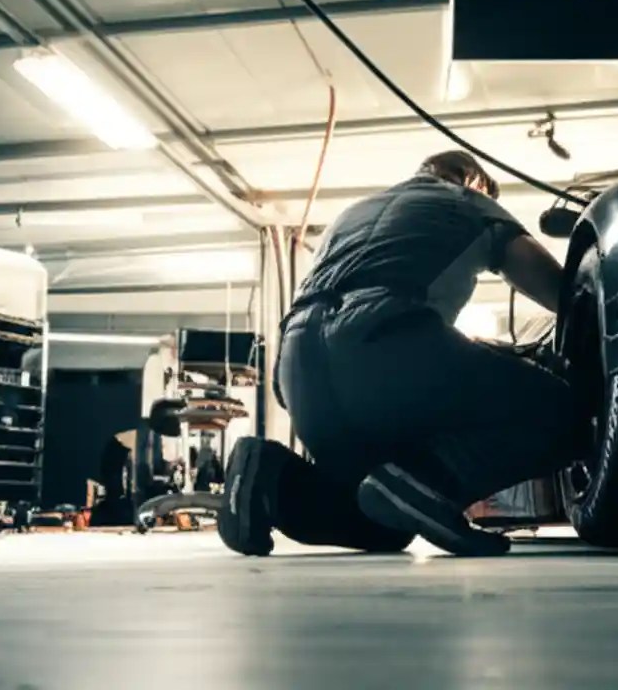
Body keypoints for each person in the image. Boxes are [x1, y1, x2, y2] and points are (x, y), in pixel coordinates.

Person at [221, 150, 573, 557]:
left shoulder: (351, 214)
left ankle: (268, 473)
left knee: (384, 523)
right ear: (472, 180)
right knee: (565, 411)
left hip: (298, 369)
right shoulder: (468, 200)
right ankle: (435, 483)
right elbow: (557, 289)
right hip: (385, 340)